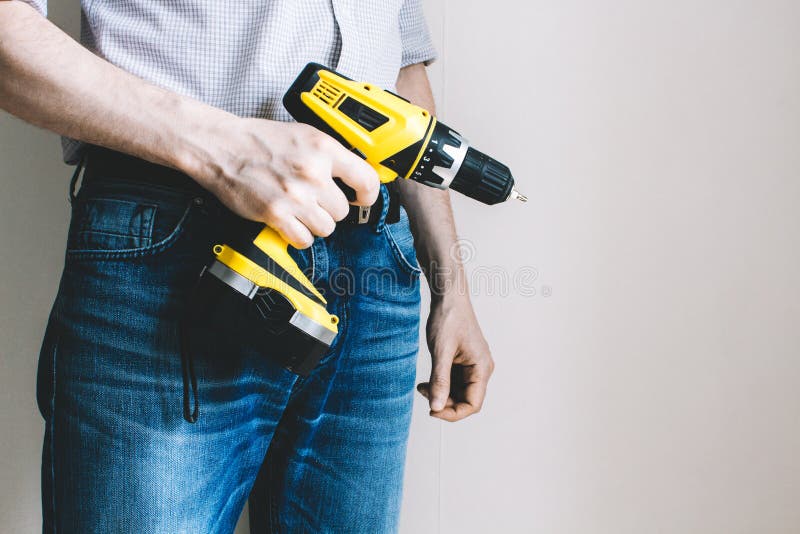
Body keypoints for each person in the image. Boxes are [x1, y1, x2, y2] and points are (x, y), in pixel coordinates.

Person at [0, 0, 494, 531]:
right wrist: (225, 151)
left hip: (375, 271)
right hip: (178, 243)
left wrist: (451, 285)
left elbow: (400, 69)